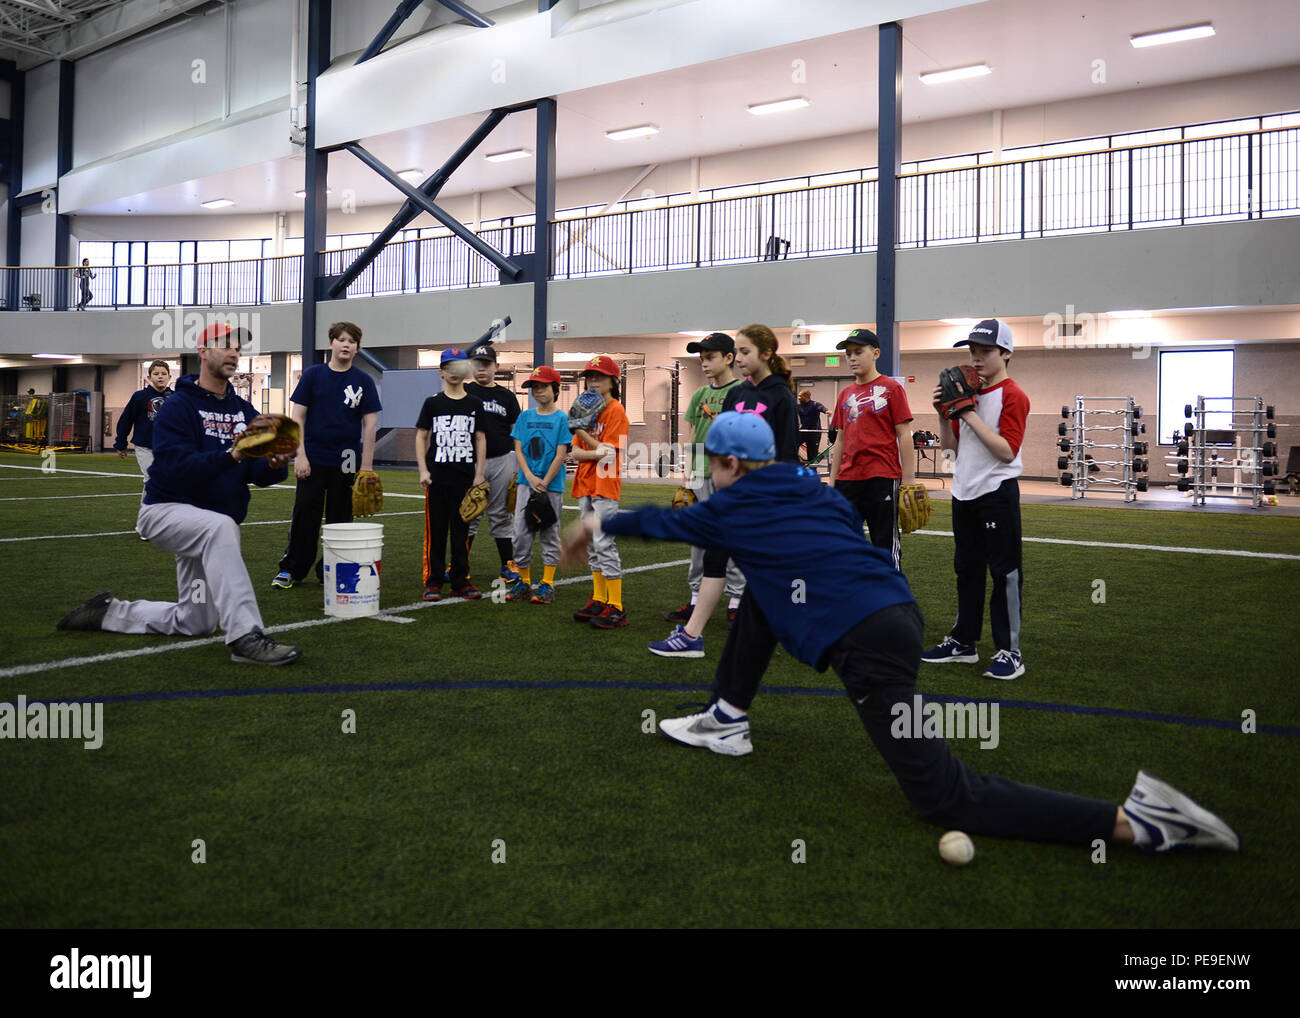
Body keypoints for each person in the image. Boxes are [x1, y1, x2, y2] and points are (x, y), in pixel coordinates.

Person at [561, 412, 1238, 856]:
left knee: (942, 795)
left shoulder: (733, 504)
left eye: (712, 462)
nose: (710, 473)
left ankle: (1134, 822)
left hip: (866, 641)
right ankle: (727, 716)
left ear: (730, 465)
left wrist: (595, 524)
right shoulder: (809, 484)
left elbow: (663, 526)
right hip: (898, 611)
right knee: (766, 590)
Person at [56, 323, 301, 665]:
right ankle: (246, 636)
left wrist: (274, 464)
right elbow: (174, 468)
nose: (233, 353)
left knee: (196, 622)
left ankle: (108, 613)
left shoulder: (244, 412)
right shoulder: (178, 407)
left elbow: (255, 475)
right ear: (203, 352)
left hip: (206, 524)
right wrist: (231, 454)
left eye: (238, 348)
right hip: (165, 511)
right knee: (220, 528)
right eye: (224, 345)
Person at [922, 319, 1030, 681]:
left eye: (986, 351)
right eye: (973, 351)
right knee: (966, 571)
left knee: (1005, 574)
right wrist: (943, 416)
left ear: (1006, 354)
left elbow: (1005, 451)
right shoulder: (966, 394)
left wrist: (966, 411)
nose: (977, 358)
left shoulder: (1013, 395)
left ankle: (1010, 652)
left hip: (996, 492)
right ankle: (963, 642)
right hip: (963, 492)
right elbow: (950, 450)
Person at [651, 332, 745, 658]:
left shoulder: (741, 392)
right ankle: (695, 600)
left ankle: (736, 600)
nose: (705, 363)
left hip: (729, 477)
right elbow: (692, 433)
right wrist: (689, 472)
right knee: (698, 542)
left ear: (729, 358)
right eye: (702, 357)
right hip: (701, 474)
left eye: (711, 356)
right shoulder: (700, 394)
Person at [272, 321, 381, 589]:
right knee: (305, 515)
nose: (346, 344)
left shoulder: (363, 381)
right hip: (314, 457)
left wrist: (366, 466)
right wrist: (301, 456)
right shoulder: (312, 376)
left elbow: (370, 424)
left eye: (352, 341)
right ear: (331, 343)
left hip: (347, 462)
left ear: (357, 348)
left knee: (341, 519)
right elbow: (297, 417)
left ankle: (331, 570)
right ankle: (292, 569)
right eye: (341, 339)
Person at [827, 328, 916, 569]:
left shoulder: (891, 388)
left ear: (875, 353)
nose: (852, 358)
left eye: (858, 352)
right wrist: (833, 483)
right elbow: (840, 441)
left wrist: (908, 481)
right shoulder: (845, 394)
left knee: (884, 544)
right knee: (845, 543)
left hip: (882, 477)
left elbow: (904, 434)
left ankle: (890, 598)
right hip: (848, 479)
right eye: (848, 354)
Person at [416, 348, 487, 602]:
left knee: (461, 533)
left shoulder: (474, 403)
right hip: (437, 479)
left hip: (465, 479)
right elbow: (421, 434)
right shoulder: (433, 402)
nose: (454, 372)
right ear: (442, 372)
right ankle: (433, 582)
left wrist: (479, 473)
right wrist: (423, 469)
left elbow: (480, 437)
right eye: (449, 367)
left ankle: (460, 581)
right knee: (436, 533)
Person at [569, 355, 630, 629]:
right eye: (590, 377)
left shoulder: (617, 410)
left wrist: (583, 433)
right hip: (585, 483)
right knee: (592, 544)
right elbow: (575, 453)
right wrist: (591, 448)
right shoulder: (585, 409)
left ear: (613, 381)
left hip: (605, 484)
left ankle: (616, 607)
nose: (594, 381)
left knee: (604, 542)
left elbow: (608, 454)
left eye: (600, 377)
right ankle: (599, 597)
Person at [505, 365, 570, 605]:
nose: (538, 391)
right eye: (534, 387)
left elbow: (561, 452)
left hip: (552, 485)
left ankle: (547, 584)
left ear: (555, 389)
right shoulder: (525, 416)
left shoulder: (562, 418)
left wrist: (545, 480)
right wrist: (530, 478)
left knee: (550, 533)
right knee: (521, 533)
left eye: (543, 386)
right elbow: (518, 449)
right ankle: (524, 581)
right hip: (525, 482)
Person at [465, 345, 523, 585]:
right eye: (477, 364)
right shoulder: (464, 391)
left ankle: (507, 565)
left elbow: (516, 432)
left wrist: (519, 467)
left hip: (501, 460)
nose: (481, 368)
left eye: (486, 364)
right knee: (468, 514)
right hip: (468, 461)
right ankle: (459, 564)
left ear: (496, 367)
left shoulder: (507, 396)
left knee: (500, 515)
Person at [113, 359, 173, 490]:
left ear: (169, 377)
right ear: (149, 377)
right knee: (152, 478)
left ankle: (157, 509)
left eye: (163, 373)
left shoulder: (175, 397)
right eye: (156, 374)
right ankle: (149, 510)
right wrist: (121, 443)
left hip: (169, 447)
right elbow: (126, 420)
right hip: (145, 446)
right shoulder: (139, 396)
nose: (160, 376)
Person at [795, 389, 829, 464]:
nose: (798, 398)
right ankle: (798, 463)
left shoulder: (815, 404)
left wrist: (827, 411)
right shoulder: (798, 406)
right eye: (798, 396)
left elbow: (822, 408)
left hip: (814, 432)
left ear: (806, 396)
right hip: (803, 431)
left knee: (812, 455)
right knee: (792, 446)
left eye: (800, 396)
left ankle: (813, 468)